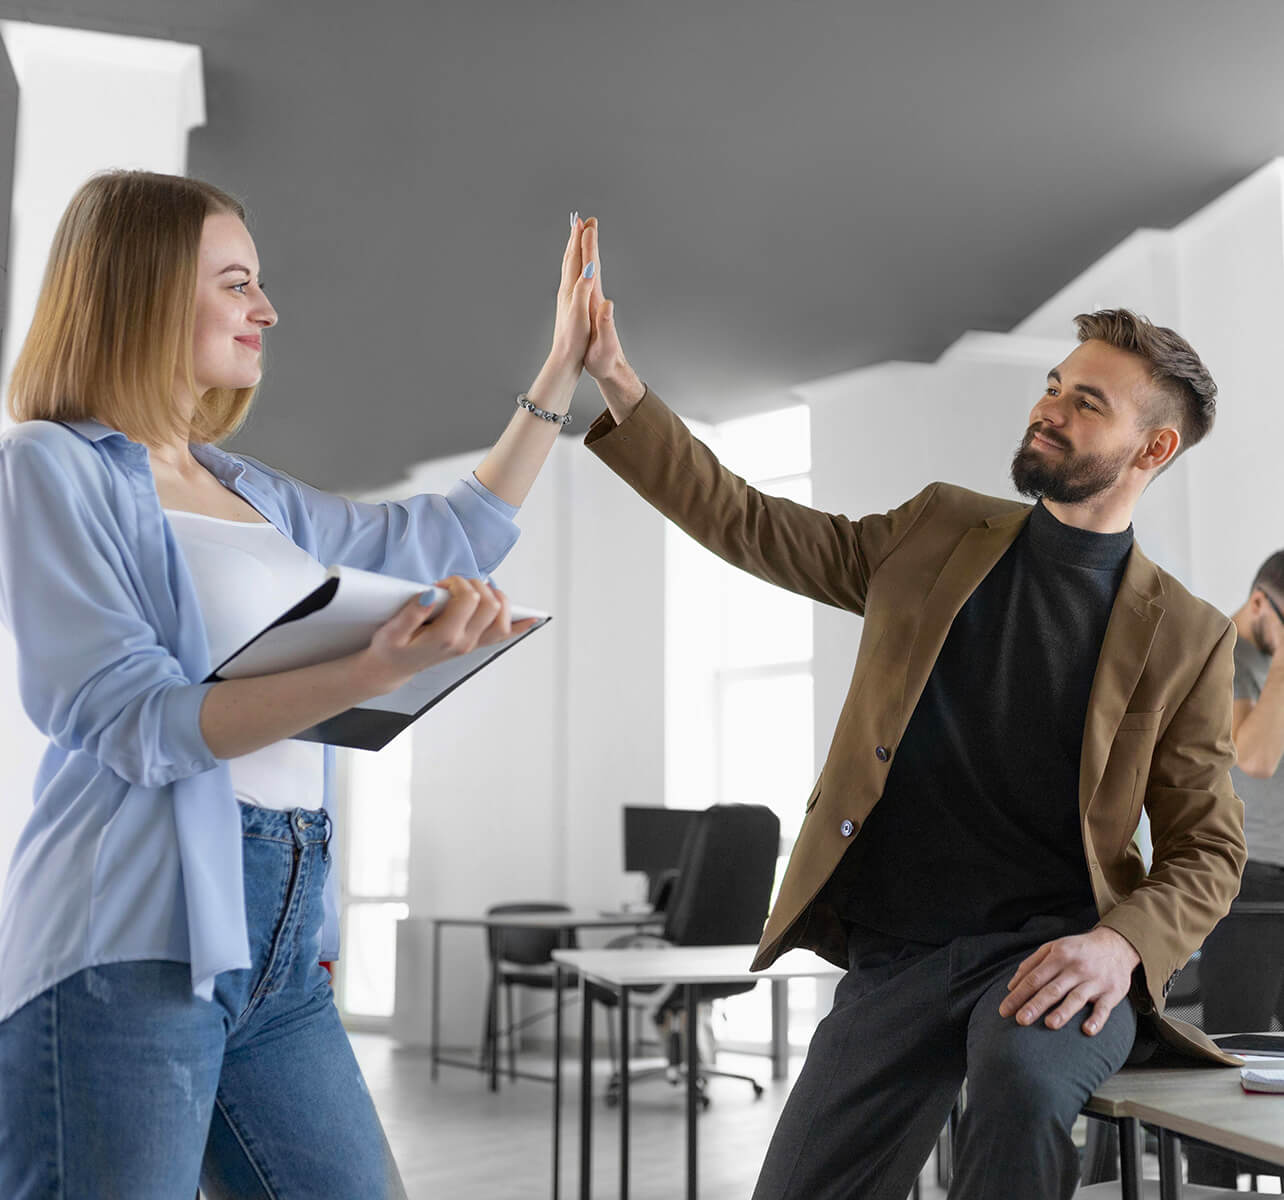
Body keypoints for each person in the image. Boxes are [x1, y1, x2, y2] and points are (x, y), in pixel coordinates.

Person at [0, 170, 600, 1199]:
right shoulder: (50, 467)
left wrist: (559, 376)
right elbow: (137, 721)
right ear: (143, 290)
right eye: (237, 284)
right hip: (129, 951)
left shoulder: (253, 493)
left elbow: (441, 537)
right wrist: (371, 668)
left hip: (284, 949)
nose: (265, 309)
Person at [577, 277, 1245, 1199]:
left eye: (1085, 402)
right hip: (899, 956)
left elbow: (1207, 848)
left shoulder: (1188, 633)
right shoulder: (938, 530)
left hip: (1051, 956)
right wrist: (617, 381)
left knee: (1017, 1087)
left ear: (1154, 446)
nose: (1048, 409)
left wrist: (1120, 946)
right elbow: (753, 524)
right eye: (1053, 384)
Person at [1187, 551, 1284, 1187]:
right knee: (1227, 1074)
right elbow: (1255, 757)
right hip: (1246, 886)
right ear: (1259, 604)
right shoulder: (1220, 653)